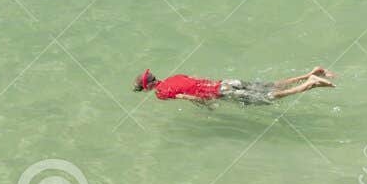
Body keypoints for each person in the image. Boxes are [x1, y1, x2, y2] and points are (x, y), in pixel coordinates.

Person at [134, 67, 335, 106]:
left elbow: (187, 97)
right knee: (270, 85)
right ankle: (311, 73)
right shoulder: (175, 76)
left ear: (148, 88)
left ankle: (311, 84)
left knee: (270, 97)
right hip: (225, 83)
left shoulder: (161, 93)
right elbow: (198, 77)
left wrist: (205, 104)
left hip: (222, 93)